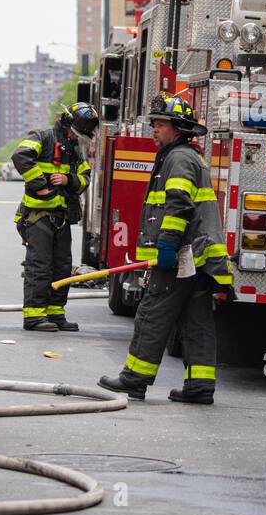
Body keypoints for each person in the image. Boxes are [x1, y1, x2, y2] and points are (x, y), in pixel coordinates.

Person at [99, 94, 232, 404]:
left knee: (152, 313)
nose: (154, 129)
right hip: (197, 259)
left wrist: (167, 247)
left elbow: (178, 205)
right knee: (195, 319)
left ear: (176, 128)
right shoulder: (184, 156)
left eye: (159, 124)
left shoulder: (179, 158)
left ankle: (134, 379)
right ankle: (200, 386)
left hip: (180, 256)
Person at [10, 102, 97, 332]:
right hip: (38, 216)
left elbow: (85, 177)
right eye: (76, 131)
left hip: (62, 217)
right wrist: (40, 185)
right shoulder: (43, 137)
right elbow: (20, 156)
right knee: (40, 267)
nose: (77, 137)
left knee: (62, 267)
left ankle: (55, 313)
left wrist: (69, 180)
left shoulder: (76, 147)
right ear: (67, 123)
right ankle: (34, 316)